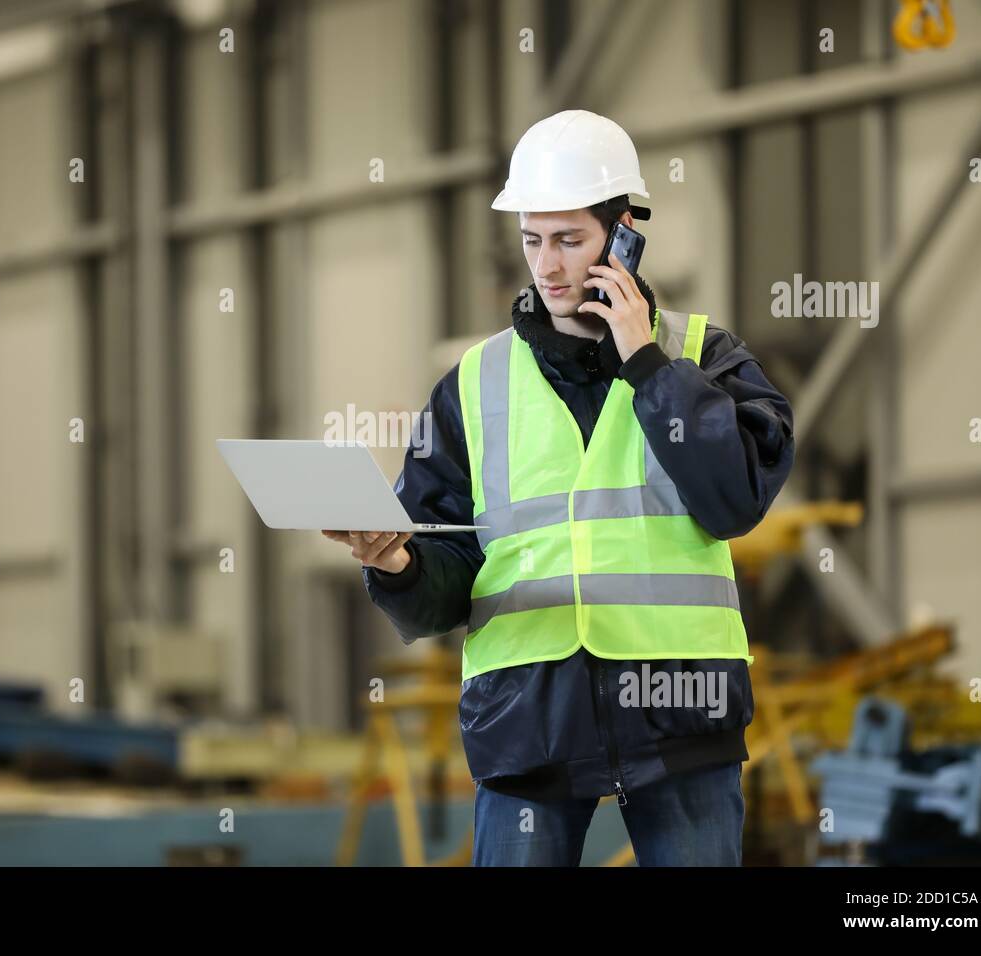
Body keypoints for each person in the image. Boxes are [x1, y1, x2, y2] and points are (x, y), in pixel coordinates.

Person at [322, 110, 795, 866]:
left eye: (571, 240)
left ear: (627, 231)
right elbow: (449, 583)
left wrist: (648, 366)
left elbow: (733, 500)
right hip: (526, 718)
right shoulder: (472, 387)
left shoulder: (705, 360)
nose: (547, 265)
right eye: (532, 240)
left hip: (679, 711)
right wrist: (398, 566)